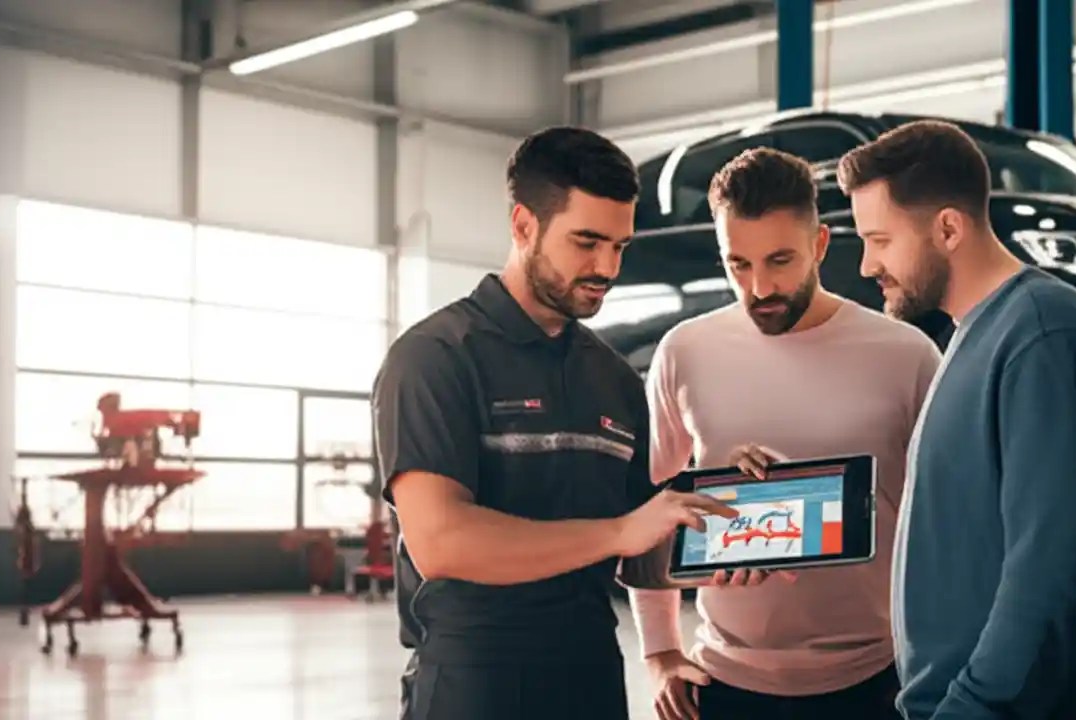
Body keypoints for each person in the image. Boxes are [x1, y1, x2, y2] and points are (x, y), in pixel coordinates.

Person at [371, 126, 736, 720]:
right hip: (476, 685)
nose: (607, 267)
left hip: (592, 676)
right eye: (586, 242)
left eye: (620, 246)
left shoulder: (615, 379)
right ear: (523, 225)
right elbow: (442, 542)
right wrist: (619, 532)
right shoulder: (435, 357)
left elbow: (639, 552)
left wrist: (731, 538)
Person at [836, 119, 1076, 720]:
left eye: (880, 239)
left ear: (947, 227)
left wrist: (973, 709)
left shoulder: (1047, 338)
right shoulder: (972, 337)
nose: (867, 264)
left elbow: (1057, 575)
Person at [624, 147, 942, 720]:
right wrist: (660, 651)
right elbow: (648, 511)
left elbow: (952, 519)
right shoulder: (684, 353)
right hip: (724, 683)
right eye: (737, 264)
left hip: (876, 679)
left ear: (820, 245)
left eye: (780, 260)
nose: (760, 287)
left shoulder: (907, 355)